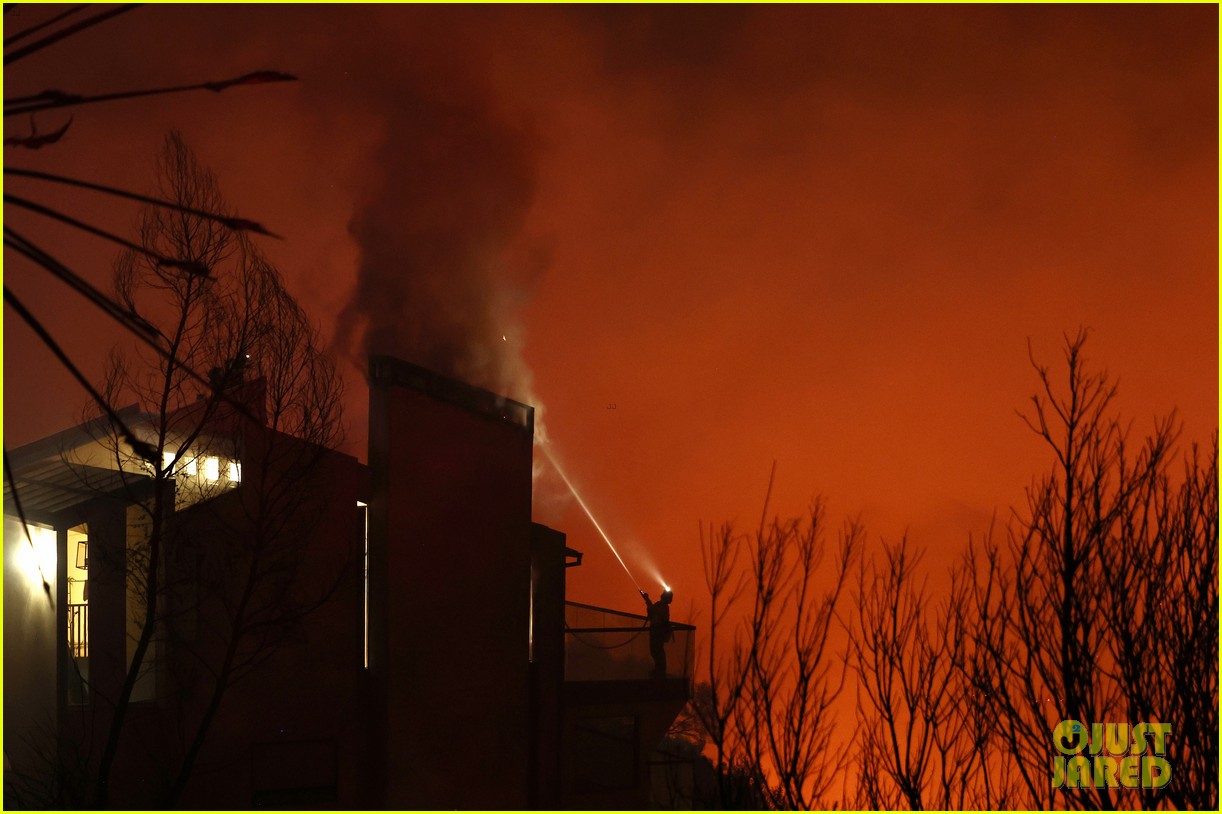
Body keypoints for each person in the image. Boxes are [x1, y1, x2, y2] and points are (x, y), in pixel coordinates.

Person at [641, 588, 674, 678]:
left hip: (656, 634)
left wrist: (647, 600)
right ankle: (659, 673)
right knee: (657, 654)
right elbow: (653, 611)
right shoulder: (663, 607)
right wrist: (647, 600)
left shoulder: (661, 607)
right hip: (657, 634)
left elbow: (652, 611)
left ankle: (658, 673)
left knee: (657, 653)